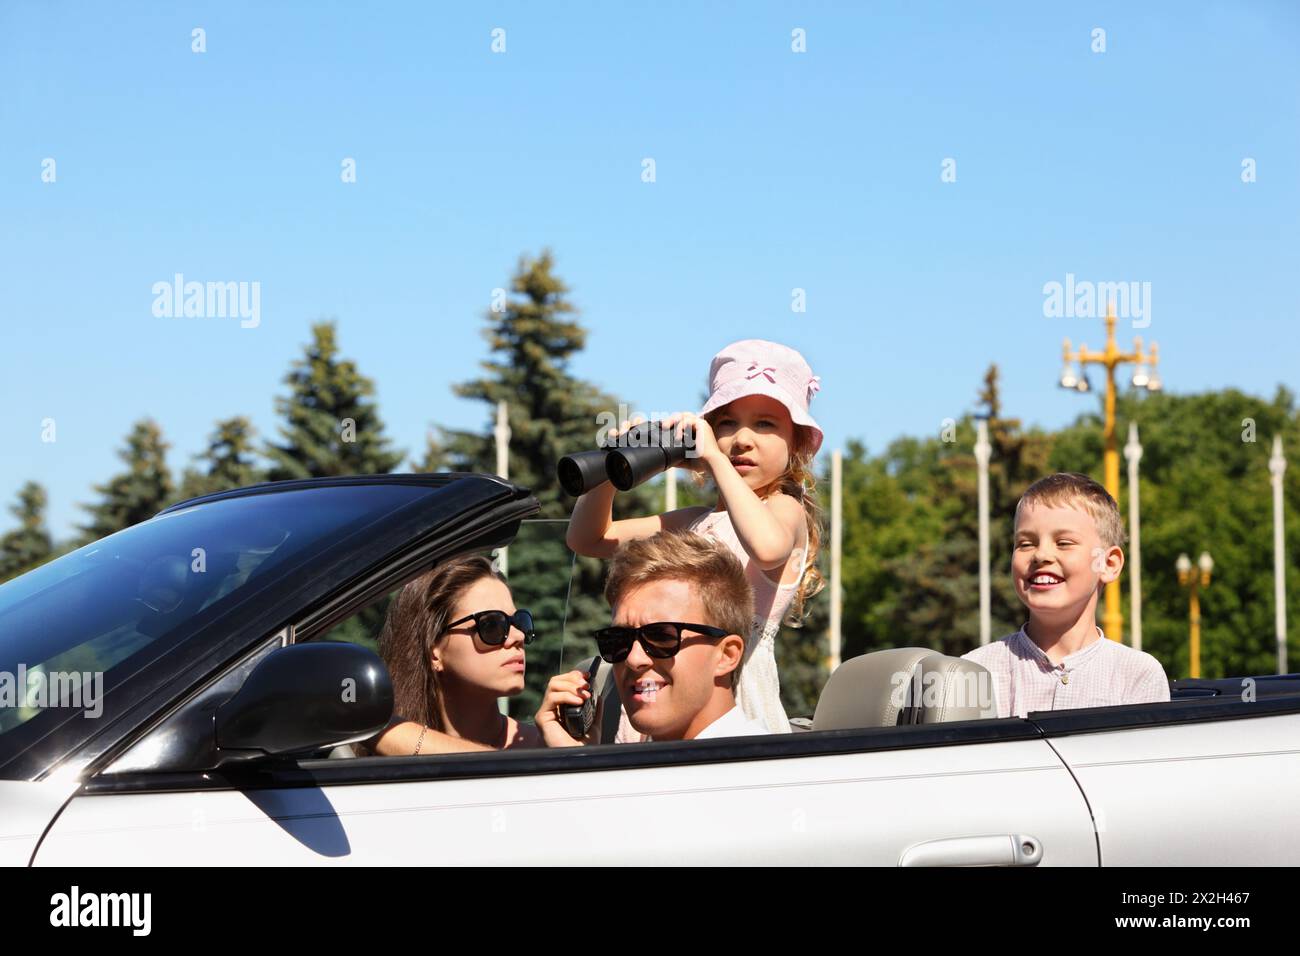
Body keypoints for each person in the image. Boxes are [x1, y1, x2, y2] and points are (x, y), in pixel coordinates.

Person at [566, 339, 825, 738]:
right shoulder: (697, 521)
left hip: (732, 702)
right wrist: (609, 469)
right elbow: (589, 538)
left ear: (797, 446)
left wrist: (715, 459)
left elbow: (768, 548)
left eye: (764, 424)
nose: (741, 439)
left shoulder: (784, 508)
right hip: (672, 688)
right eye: (725, 423)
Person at [962, 472, 1170, 718]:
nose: (1041, 555)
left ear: (1109, 564)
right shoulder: (975, 672)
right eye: (1026, 543)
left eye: (1064, 542)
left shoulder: (1137, 675)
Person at [536, 530, 769, 746]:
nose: (633, 659)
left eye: (662, 636)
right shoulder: (633, 772)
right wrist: (580, 762)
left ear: (727, 655)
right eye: (618, 639)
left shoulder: (767, 775)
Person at [363, 554, 542, 755]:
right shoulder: (371, 757)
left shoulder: (546, 747)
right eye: (492, 625)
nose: (518, 636)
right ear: (434, 652)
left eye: (519, 622)